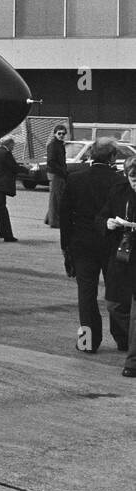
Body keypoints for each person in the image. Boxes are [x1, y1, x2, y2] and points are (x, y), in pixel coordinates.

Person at [60, 138, 126, 353]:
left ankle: (87, 342)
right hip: (111, 243)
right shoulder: (119, 181)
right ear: (113, 156)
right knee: (116, 294)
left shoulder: (75, 178)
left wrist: (66, 247)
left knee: (86, 295)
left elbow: (64, 216)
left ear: (91, 154)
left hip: (81, 243)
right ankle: (123, 339)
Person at [109, 159, 136, 375]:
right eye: (132, 178)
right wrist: (107, 223)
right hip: (125, 257)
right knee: (116, 304)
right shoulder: (121, 193)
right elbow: (102, 214)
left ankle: (132, 361)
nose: (135, 183)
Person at [44, 123, 69, 228]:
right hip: (55, 174)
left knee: (56, 197)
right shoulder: (53, 145)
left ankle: (49, 219)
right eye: (59, 133)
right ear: (55, 134)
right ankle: (54, 222)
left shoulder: (60, 144)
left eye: (63, 133)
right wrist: (62, 171)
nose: (61, 135)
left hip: (58, 173)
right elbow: (51, 161)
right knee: (56, 198)